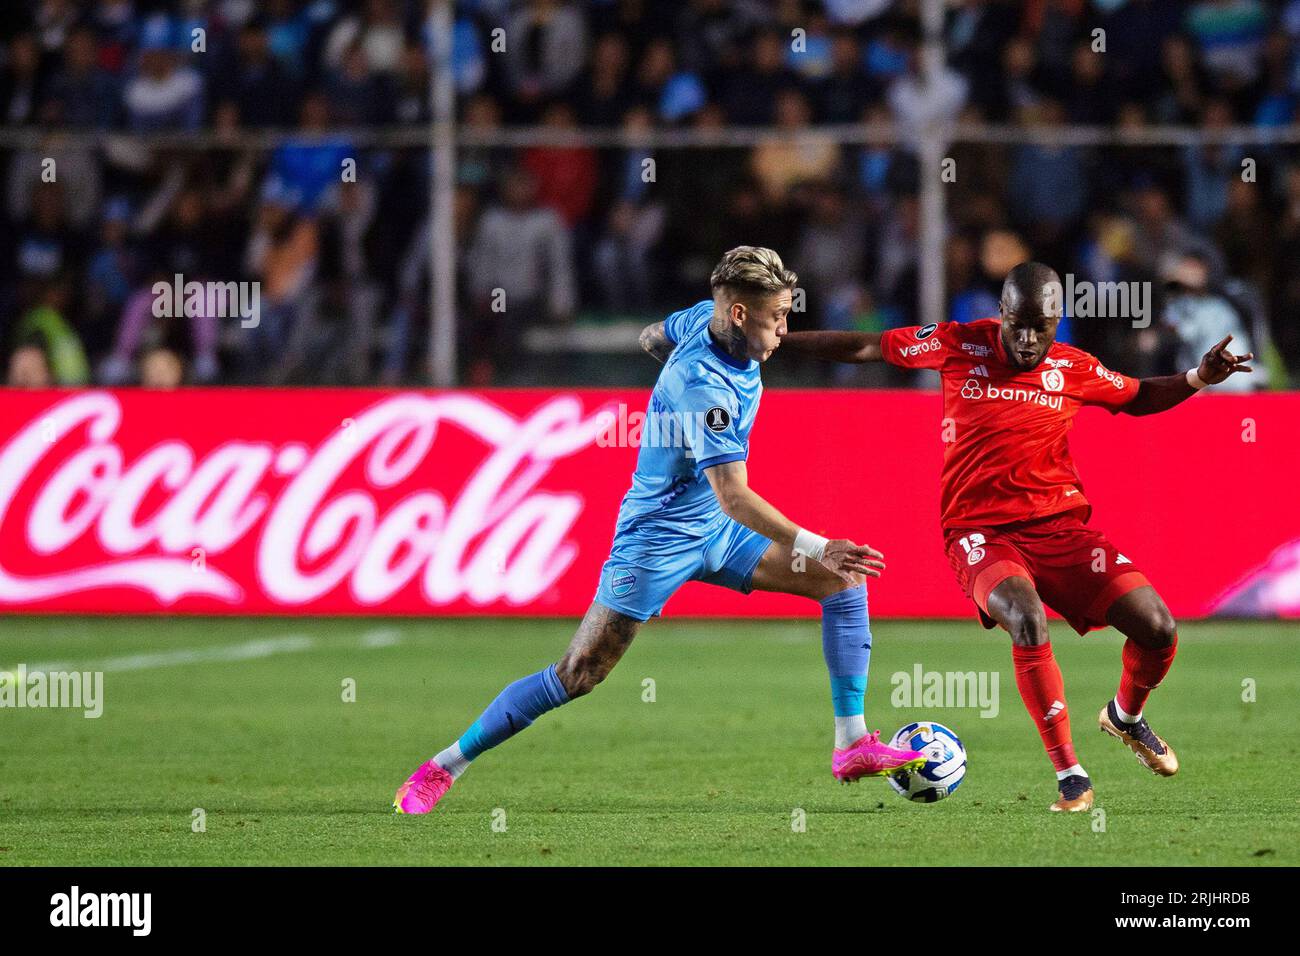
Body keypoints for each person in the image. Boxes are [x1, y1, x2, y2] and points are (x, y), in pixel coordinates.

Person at [392, 246, 925, 814]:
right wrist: (820, 542)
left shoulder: (702, 317)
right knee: (579, 673)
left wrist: (667, 402)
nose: (783, 333)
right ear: (741, 316)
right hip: (658, 540)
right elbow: (736, 496)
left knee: (841, 584)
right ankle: (443, 765)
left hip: (716, 530)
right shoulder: (706, 388)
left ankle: (851, 744)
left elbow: (653, 335)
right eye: (777, 320)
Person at [781, 261, 1254, 812]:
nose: (1028, 340)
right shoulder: (958, 343)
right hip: (979, 531)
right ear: (1000, 313)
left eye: (1042, 326)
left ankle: (1125, 717)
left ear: (1058, 321)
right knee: (1026, 620)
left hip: (1060, 528)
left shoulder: (1072, 366)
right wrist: (780, 341)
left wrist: (1197, 378)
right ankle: (1070, 774)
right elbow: (866, 347)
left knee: (1158, 628)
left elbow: (1137, 396)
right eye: (1018, 324)